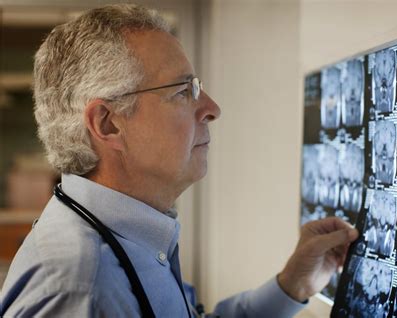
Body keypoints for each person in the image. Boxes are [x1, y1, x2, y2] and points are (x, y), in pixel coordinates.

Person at [0, 4, 358, 317]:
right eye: (182, 91)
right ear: (108, 123)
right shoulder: (82, 291)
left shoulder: (132, 239)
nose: (212, 109)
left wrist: (292, 286)